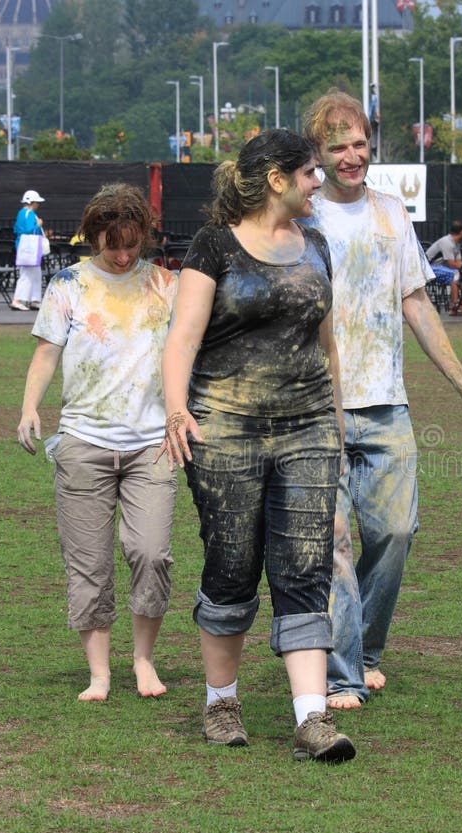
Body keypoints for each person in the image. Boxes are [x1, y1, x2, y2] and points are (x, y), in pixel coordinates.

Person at [160, 129, 355, 763]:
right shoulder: (214, 244)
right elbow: (182, 339)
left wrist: (336, 423)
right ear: (276, 179)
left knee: (305, 566)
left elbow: (327, 345)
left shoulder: (316, 245)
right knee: (233, 564)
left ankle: (312, 719)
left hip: (308, 428)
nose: (319, 181)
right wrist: (176, 411)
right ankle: (221, 703)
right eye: (310, 172)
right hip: (224, 428)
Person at [302, 90, 462, 709]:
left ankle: (366, 648)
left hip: (386, 403)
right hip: (314, 407)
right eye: (338, 147)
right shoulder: (300, 218)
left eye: (359, 144)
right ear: (318, 153)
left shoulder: (391, 213)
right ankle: (342, 674)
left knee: (397, 531)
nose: (352, 156)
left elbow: (417, 302)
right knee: (334, 544)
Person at [16, 183, 178, 701]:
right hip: (84, 441)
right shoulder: (68, 283)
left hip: (152, 444)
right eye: (113, 245)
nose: (124, 255)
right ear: (94, 236)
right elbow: (46, 352)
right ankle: (100, 673)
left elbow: (189, 350)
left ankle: (144, 660)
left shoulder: (166, 284)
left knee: (151, 552)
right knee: (88, 562)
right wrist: (29, 408)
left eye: (132, 244)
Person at [426, 220, 462, 315]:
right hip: (430, 268)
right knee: (456, 275)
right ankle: (453, 307)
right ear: (461, 232)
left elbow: (459, 262)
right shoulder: (446, 242)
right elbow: (452, 264)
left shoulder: (457, 243)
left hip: (444, 268)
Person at [12, 189, 46, 311]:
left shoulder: (21, 213)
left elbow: (16, 229)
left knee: (35, 273)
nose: (38, 204)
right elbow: (30, 230)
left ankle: (34, 300)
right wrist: (39, 225)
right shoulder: (29, 213)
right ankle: (18, 300)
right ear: (32, 202)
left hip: (24, 246)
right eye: (37, 202)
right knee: (27, 274)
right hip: (29, 247)